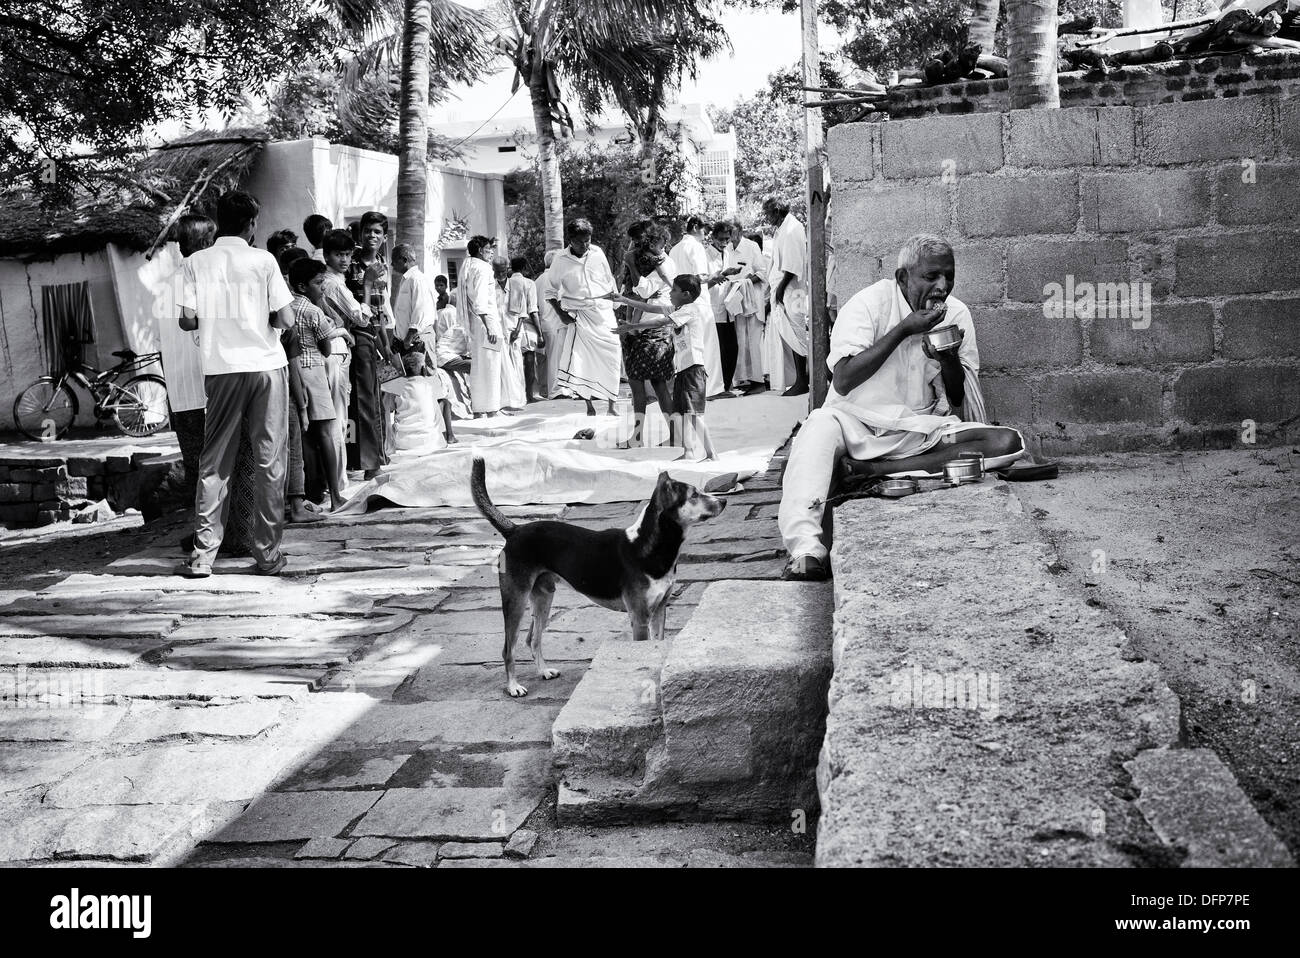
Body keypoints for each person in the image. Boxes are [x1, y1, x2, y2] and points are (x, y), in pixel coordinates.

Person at [777, 234, 1027, 581]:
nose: (942, 286)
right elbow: (845, 379)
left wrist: (948, 357)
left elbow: (956, 396)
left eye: (948, 276)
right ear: (902, 278)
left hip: (919, 431)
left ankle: (871, 473)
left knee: (1006, 443)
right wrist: (903, 330)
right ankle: (806, 550)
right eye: (931, 277)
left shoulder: (957, 313)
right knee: (816, 429)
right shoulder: (868, 304)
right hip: (855, 423)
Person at [175, 190, 294, 578]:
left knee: (214, 460)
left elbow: (187, 320)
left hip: (221, 367)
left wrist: (216, 318)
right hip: (265, 366)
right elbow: (286, 319)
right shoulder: (264, 260)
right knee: (269, 459)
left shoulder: (195, 262)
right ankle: (267, 554)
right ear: (251, 224)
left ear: (218, 221)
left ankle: (202, 556)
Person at [606, 275, 717, 461]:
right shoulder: (679, 308)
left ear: (686, 294)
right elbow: (651, 308)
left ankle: (711, 454)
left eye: (673, 290)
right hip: (683, 369)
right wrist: (624, 300)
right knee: (681, 414)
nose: (670, 293)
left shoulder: (689, 310)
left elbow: (660, 322)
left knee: (694, 416)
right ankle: (688, 451)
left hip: (693, 369)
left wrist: (633, 326)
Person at [158, 214, 216, 496]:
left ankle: (201, 530)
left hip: (180, 391)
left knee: (197, 466)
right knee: (219, 464)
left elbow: (161, 341)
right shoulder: (204, 277)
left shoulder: (165, 283)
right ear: (206, 243)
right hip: (208, 385)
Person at [288, 258, 349, 511]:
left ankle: (307, 494)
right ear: (303, 286)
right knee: (325, 434)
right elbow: (325, 349)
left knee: (302, 438)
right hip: (313, 371)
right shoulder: (314, 312)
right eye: (318, 282)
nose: (323, 287)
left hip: (292, 372)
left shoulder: (286, 308)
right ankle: (335, 495)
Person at [545, 218, 621, 416]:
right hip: (579, 315)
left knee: (613, 356)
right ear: (571, 240)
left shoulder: (597, 252)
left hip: (604, 312)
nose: (585, 245)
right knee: (581, 361)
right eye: (581, 242)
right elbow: (550, 292)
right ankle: (589, 406)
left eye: (588, 240)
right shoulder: (560, 260)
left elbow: (608, 277)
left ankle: (612, 405)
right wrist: (562, 315)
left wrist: (615, 302)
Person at [343, 211, 395, 478]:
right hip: (355, 336)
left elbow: (380, 308)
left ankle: (373, 457)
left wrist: (386, 343)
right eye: (368, 231)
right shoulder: (349, 263)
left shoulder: (383, 263)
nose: (372, 236)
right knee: (361, 401)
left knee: (374, 398)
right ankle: (367, 463)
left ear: (384, 237)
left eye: (377, 232)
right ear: (360, 233)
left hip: (374, 336)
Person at [617, 222, 677, 448]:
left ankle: (640, 437)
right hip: (646, 326)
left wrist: (631, 263)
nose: (650, 246)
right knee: (655, 384)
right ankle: (665, 434)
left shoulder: (663, 264)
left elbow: (643, 291)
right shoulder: (653, 262)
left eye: (654, 242)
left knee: (641, 382)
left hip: (651, 328)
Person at [391, 243, 457, 444]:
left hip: (417, 340)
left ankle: (448, 434)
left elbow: (420, 313)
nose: (392, 265)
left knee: (431, 387)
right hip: (409, 340)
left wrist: (409, 339)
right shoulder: (407, 280)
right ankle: (441, 433)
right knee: (424, 389)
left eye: (394, 261)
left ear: (403, 259)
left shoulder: (416, 279)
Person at [318, 228, 361, 495]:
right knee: (338, 418)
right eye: (338, 254)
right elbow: (359, 316)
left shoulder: (332, 279)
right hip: (335, 348)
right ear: (327, 255)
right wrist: (367, 293)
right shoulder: (332, 282)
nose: (343, 259)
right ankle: (338, 481)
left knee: (335, 418)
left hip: (334, 347)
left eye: (347, 254)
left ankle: (336, 478)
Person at [669, 215, 728, 399]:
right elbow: (700, 277)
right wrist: (716, 276)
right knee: (707, 346)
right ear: (695, 227)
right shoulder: (695, 246)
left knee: (687, 348)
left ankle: (693, 388)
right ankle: (712, 389)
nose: (706, 236)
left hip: (680, 302)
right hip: (698, 302)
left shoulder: (675, 249)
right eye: (705, 231)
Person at [764, 196, 810, 396]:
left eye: (768, 213)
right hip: (785, 289)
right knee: (791, 333)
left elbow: (792, 264)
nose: (767, 218)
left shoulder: (793, 228)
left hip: (794, 290)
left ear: (776, 211)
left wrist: (781, 289)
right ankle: (800, 379)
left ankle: (804, 381)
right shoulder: (783, 228)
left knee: (798, 333)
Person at [458, 235, 505, 418]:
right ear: (479, 251)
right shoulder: (483, 268)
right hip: (487, 323)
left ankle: (480, 409)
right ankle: (492, 409)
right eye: (488, 249)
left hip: (477, 323)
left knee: (479, 366)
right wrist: (490, 327)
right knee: (491, 364)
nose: (491, 252)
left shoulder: (468, 266)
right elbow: (479, 301)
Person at [723, 223, 768, 394]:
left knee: (754, 342)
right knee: (740, 342)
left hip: (752, 301)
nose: (730, 236)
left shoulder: (752, 246)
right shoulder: (727, 249)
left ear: (740, 232)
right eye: (728, 233)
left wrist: (744, 283)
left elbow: (762, 273)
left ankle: (758, 381)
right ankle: (743, 379)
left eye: (733, 232)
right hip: (735, 302)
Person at [705, 220, 742, 393]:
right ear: (713, 237)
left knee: (732, 349)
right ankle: (718, 388)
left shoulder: (727, 253)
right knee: (719, 352)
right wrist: (721, 275)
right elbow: (703, 283)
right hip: (713, 309)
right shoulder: (705, 255)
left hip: (728, 308)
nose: (724, 243)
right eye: (721, 239)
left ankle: (726, 385)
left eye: (727, 239)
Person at [506, 256, 546, 403]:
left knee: (512, 361)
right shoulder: (529, 283)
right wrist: (540, 334)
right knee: (529, 360)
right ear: (524, 268)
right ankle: (529, 395)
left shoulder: (507, 282)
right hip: (527, 327)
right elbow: (532, 310)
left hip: (510, 326)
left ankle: (516, 394)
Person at [493, 256, 528, 412]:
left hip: (513, 331)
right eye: (497, 271)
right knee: (499, 366)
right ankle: (502, 401)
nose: (500, 274)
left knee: (516, 365)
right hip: (496, 332)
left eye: (502, 271)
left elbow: (523, 311)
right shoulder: (489, 286)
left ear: (507, 269)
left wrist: (517, 330)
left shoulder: (516, 285)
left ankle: (518, 400)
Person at [535, 249, 569, 399]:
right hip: (557, 322)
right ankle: (556, 390)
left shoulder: (537, 280)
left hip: (544, 324)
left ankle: (548, 389)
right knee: (557, 358)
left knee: (548, 359)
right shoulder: (556, 278)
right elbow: (562, 301)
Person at [433, 289, 472, 419]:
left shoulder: (458, 321)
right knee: (476, 367)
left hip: (446, 354)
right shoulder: (461, 323)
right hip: (445, 356)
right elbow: (472, 349)